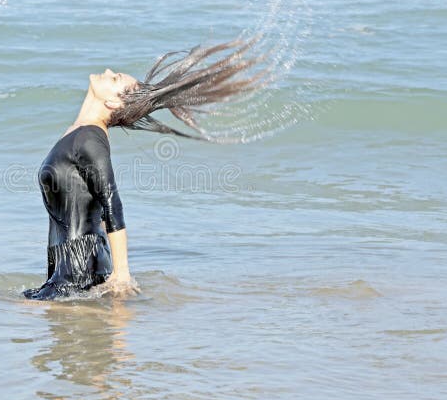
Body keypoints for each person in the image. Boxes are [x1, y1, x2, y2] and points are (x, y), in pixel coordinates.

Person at [23, 36, 269, 300]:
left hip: (78, 271)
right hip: (69, 269)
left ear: (114, 103)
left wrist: (121, 275)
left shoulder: (90, 138)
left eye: (115, 78)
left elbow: (111, 203)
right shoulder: (77, 134)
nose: (108, 72)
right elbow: (93, 207)